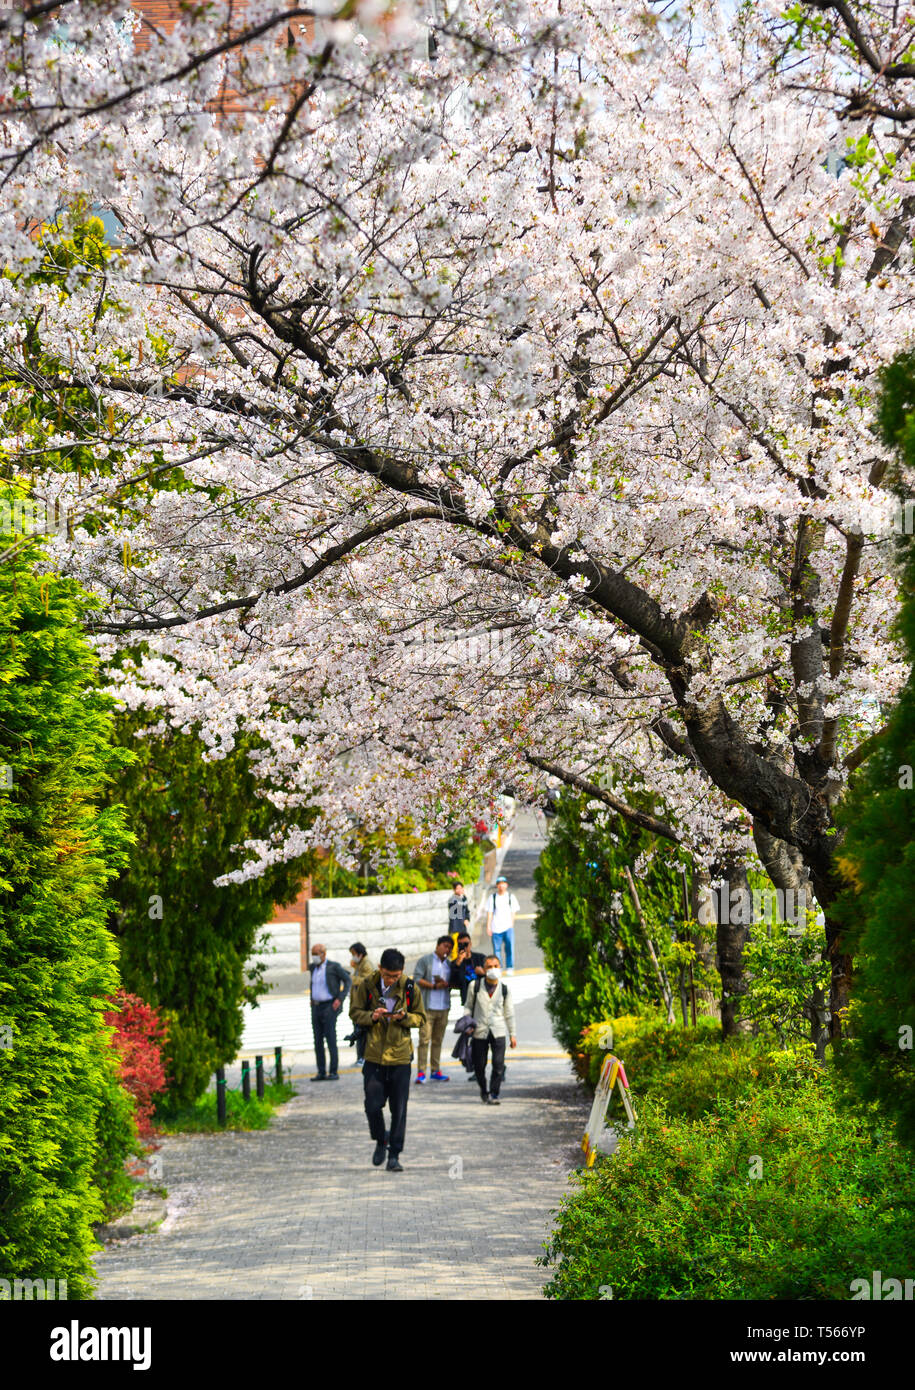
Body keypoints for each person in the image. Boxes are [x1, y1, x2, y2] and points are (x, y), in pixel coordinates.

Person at [349, 947, 427, 1171]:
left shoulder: (410, 987)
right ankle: (380, 1139)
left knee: (399, 1109)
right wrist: (371, 1016)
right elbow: (354, 1012)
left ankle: (394, 1154)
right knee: (372, 1106)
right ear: (381, 969)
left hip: (401, 1057)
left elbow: (421, 1018)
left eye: (396, 975)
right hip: (373, 1056)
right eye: (388, 975)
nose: (392, 979)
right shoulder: (367, 985)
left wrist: (404, 1018)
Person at [463, 956, 516, 1104]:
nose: (493, 969)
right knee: (479, 1065)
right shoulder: (475, 986)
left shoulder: (504, 989)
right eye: (489, 966)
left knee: (498, 1064)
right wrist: (467, 1023)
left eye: (495, 966)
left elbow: (509, 1013)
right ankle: (483, 1090)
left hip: (498, 1031)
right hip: (479, 1031)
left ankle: (494, 1093)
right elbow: (468, 1006)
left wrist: (512, 1034)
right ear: (484, 969)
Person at [414, 936, 455, 1083]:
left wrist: (448, 984)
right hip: (427, 1007)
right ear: (438, 946)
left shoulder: (449, 964)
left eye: (450, 947)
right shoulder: (426, 961)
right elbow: (417, 978)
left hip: (443, 1007)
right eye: (445, 946)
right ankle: (421, 1071)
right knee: (424, 1040)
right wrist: (433, 986)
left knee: (438, 1040)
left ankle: (435, 1070)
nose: (447, 950)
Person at [307, 943, 351, 1081]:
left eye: (316, 954)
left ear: (323, 954)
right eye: (312, 954)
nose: (314, 957)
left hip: (329, 1006)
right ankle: (321, 1071)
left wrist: (340, 998)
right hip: (316, 1006)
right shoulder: (313, 967)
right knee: (317, 1040)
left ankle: (333, 1071)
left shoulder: (333, 966)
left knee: (330, 1038)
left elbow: (347, 980)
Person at [344, 942, 375, 1065]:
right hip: (357, 1003)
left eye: (353, 954)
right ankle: (360, 1056)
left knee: (361, 1031)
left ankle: (363, 1057)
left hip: (364, 1004)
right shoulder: (359, 964)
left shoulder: (366, 964)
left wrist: (351, 978)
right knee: (357, 1030)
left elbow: (367, 980)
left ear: (360, 954)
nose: (352, 957)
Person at [485, 876, 521, 973]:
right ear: (497, 885)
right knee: (497, 950)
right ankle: (498, 968)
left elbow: (513, 911)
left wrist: (511, 924)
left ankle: (510, 967)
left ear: (506, 885)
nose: (501, 886)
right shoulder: (492, 897)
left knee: (509, 948)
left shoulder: (510, 897)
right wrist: (488, 926)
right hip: (496, 927)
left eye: (503, 883)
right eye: (499, 884)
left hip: (508, 927)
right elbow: (490, 913)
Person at [447, 880, 471, 949]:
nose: (459, 890)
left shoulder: (464, 898)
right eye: (457, 888)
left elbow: (467, 911)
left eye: (461, 888)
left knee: (464, 947)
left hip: (463, 928)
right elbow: (454, 915)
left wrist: (467, 919)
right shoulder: (452, 900)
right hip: (455, 928)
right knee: (455, 948)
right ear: (454, 890)